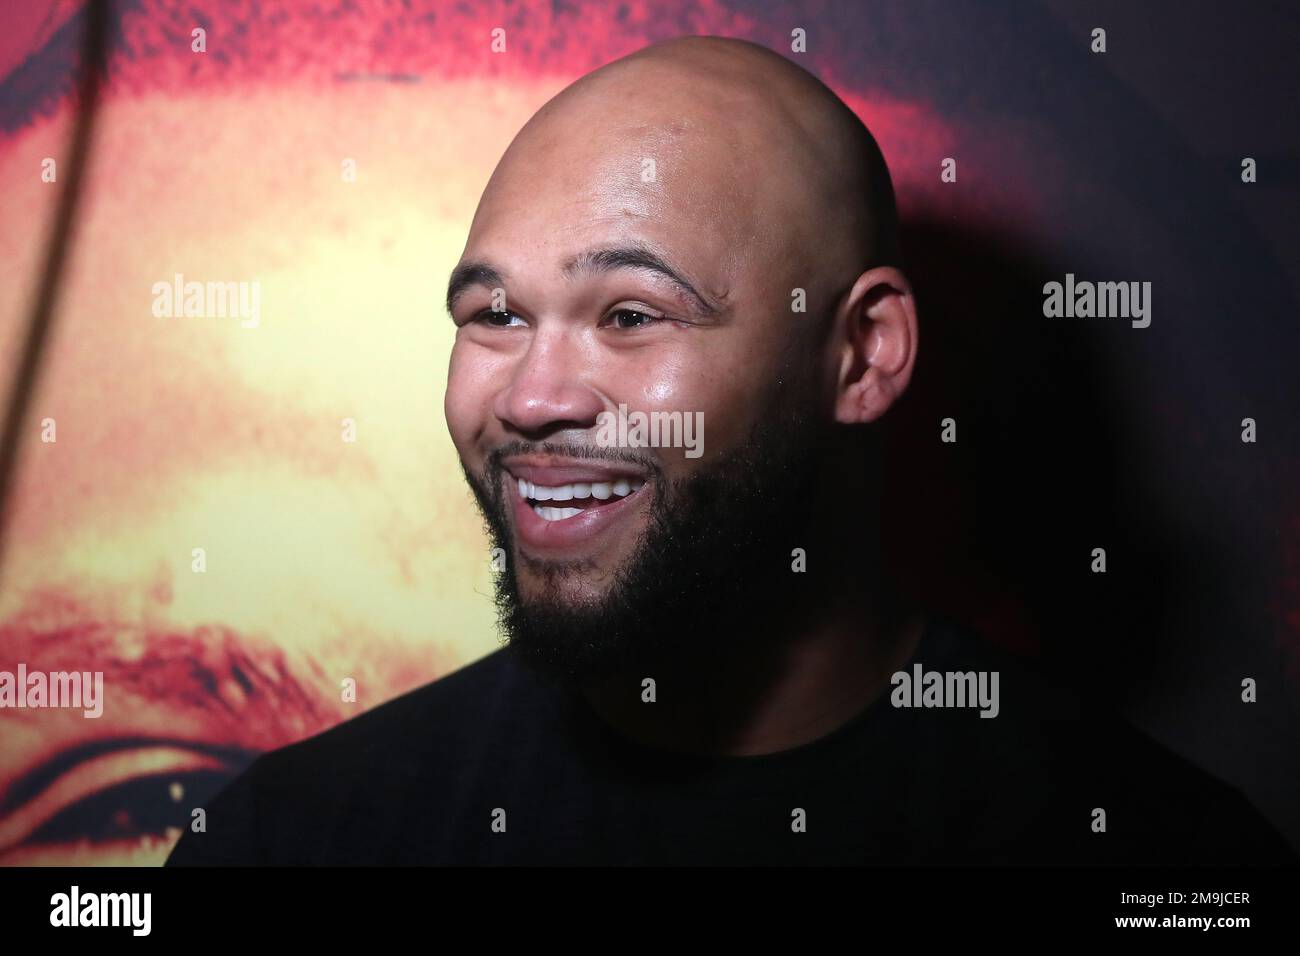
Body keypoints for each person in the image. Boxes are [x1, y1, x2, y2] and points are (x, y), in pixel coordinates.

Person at [165, 35, 1293, 866]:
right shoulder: (292, 842)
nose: (531, 398)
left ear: (860, 355)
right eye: (496, 315)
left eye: (630, 313)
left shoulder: (1164, 860)